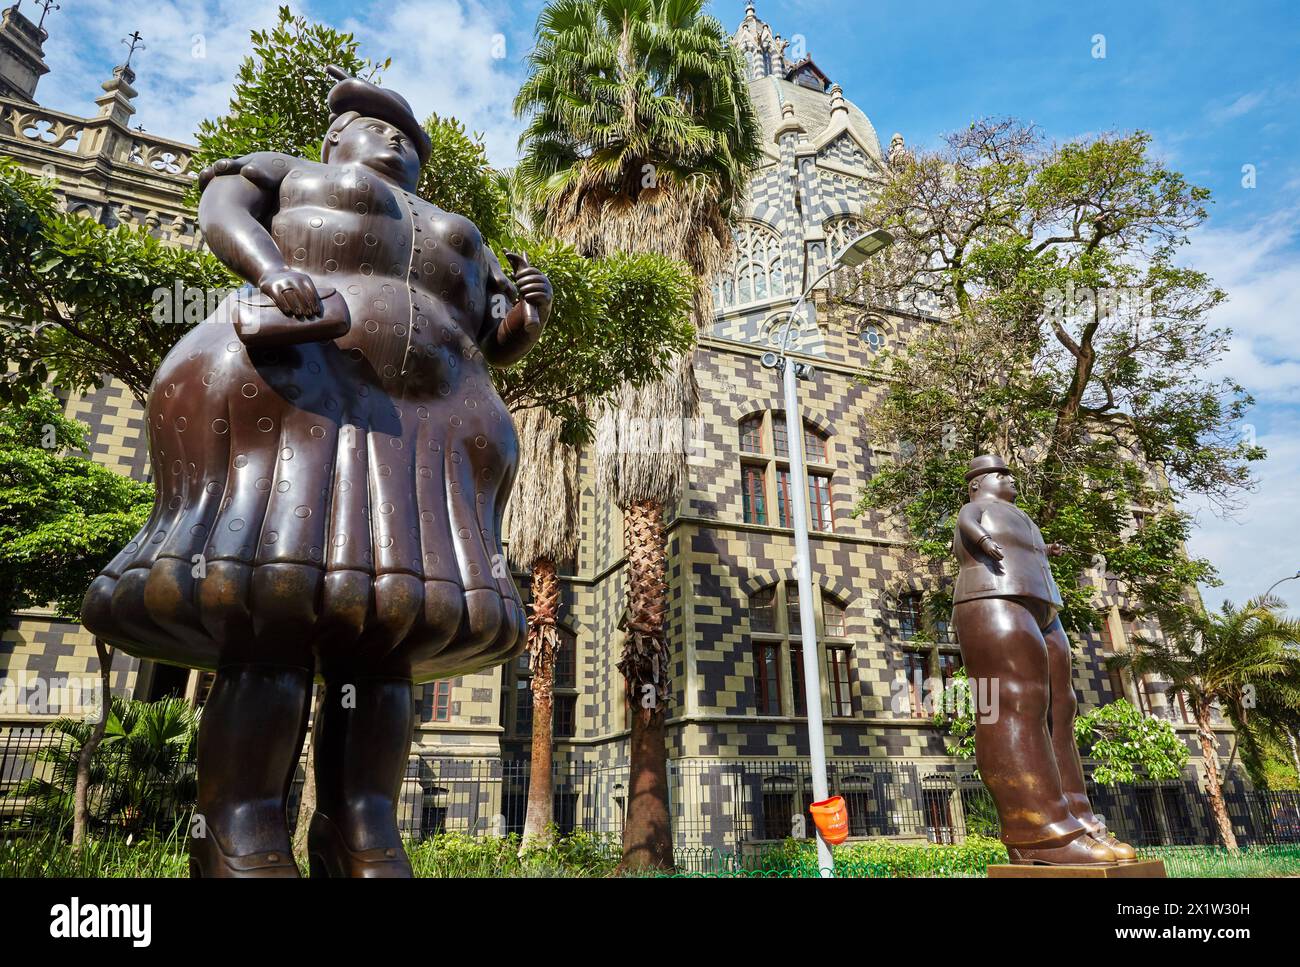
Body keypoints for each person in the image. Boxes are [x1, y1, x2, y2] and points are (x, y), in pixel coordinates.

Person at [81, 67, 553, 877]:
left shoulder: (452, 228)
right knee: (273, 609)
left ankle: (358, 825)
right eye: (376, 127)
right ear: (336, 139)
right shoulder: (290, 172)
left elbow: (488, 331)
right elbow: (222, 208)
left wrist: (524, 319)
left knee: (388, 629)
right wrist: (270, 269)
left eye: (407, 134)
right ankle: (239, 824)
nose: (394, 140)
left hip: (430, 425)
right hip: (307, 394)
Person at [951, 454, 1136, 865]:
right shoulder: (974, 508)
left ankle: (1079, 819)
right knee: (1010, 701)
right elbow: (968, 526)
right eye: (999, 474)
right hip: (991, 598)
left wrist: (1049, 548)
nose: (1008, 478)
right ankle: (1037, 830)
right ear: (976, 485)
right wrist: (983, 541)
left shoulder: (1020, 516)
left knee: (1060, 706)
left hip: (1042, 605)